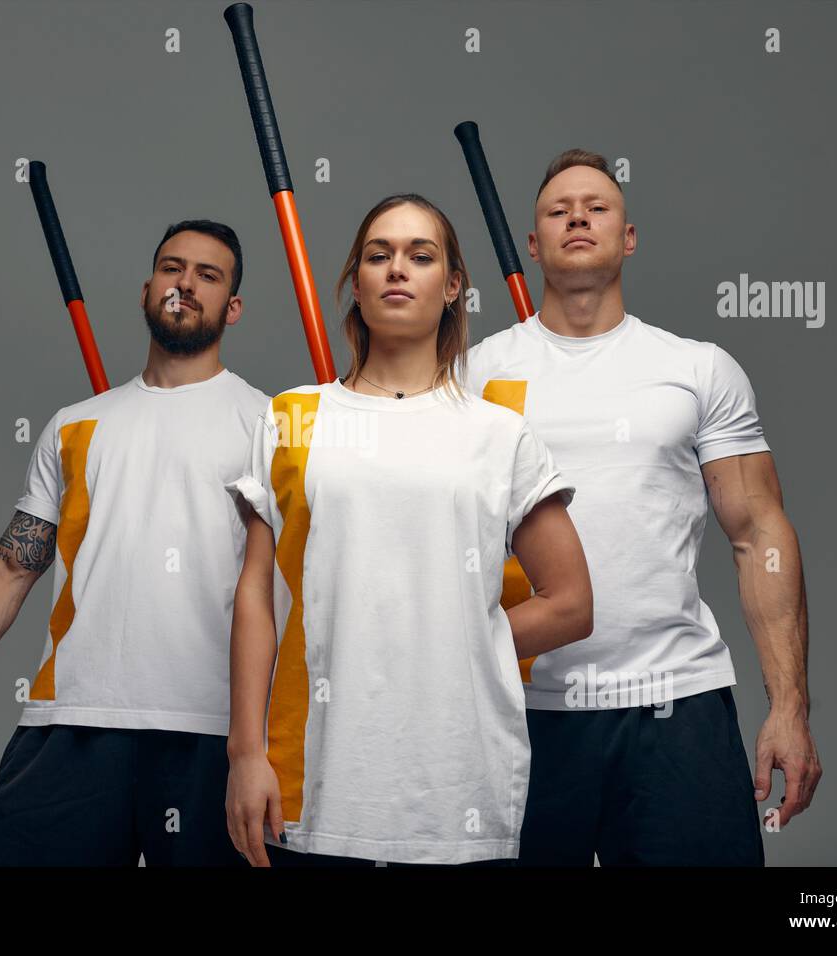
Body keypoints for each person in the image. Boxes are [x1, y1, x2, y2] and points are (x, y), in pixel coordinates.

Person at [465, 149, 822, 866]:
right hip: (520, 708)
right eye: (558, 208)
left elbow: (759, 535)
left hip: (675, 702)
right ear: (532, 245)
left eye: (597, 206)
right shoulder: (474, 375)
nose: (577, 216)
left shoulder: (696, 369)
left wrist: (790, 707)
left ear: (628, 237)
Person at [224, 194, 594, 867]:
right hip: (311, 790)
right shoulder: (291, 419)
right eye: (378, 255)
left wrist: (466, 641)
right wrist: (245, 753)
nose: (397, 269)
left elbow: (571, 602)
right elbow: (254, 597)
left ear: (452, 287)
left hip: (459, 797)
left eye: (420, 256)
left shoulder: (498, 434)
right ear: (356, 283)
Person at [0, 220, 268, 866]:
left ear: (232, 306)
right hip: (71, 723)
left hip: (213, 735)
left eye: (208, 274)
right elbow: (11, 567)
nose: (186, 283)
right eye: (173, 268)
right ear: (148, 290)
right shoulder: (75, 426)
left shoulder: (271, 424)